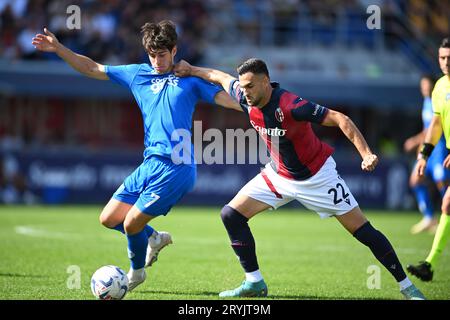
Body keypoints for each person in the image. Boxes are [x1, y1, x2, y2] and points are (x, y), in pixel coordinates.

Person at [174, 58, 426, 300]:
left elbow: (341, 119)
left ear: (266, 82)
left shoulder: (292, 105)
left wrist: (366, 153)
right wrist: (191, 69)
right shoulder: (243, 95)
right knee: (231, 214)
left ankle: (407, 287)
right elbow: (219, 77)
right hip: (278, 175)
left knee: (364, 232)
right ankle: (254, 281)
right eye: (243, 85)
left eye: (251, 85)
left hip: (318, 178)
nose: (245, 91)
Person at [32, 20, 241, 292]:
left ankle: (136, 273)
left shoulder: (189, 80)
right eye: (152, 54)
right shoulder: (137, 74)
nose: (156, 60)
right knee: (109, 218)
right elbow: (93, 68)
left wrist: (259, 108)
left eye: (162, 54)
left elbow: (228, 100)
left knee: (131, 223)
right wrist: (60, 49)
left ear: (174, 50)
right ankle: (153, 238)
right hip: (149, 164)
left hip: (177, 167)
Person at [407, 38, 450, 282]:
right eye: (442, 58)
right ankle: (430, 264)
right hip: (442, 155)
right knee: (447, 204)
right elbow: (435, 125)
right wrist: (424, 154)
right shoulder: (441, 88)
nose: (446, 62)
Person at [403, 76, 448, 234]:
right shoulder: (426, 102)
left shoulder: (439, 100)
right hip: (429, 151)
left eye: (427, 85)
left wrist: (415, 141)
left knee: (442, 181)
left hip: (440, 149)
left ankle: (445, 217)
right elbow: (426, 129)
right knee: (415, 181)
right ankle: (429, 217)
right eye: (422, 85)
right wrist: (420, 147)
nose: (425, 88)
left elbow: (434, 129)